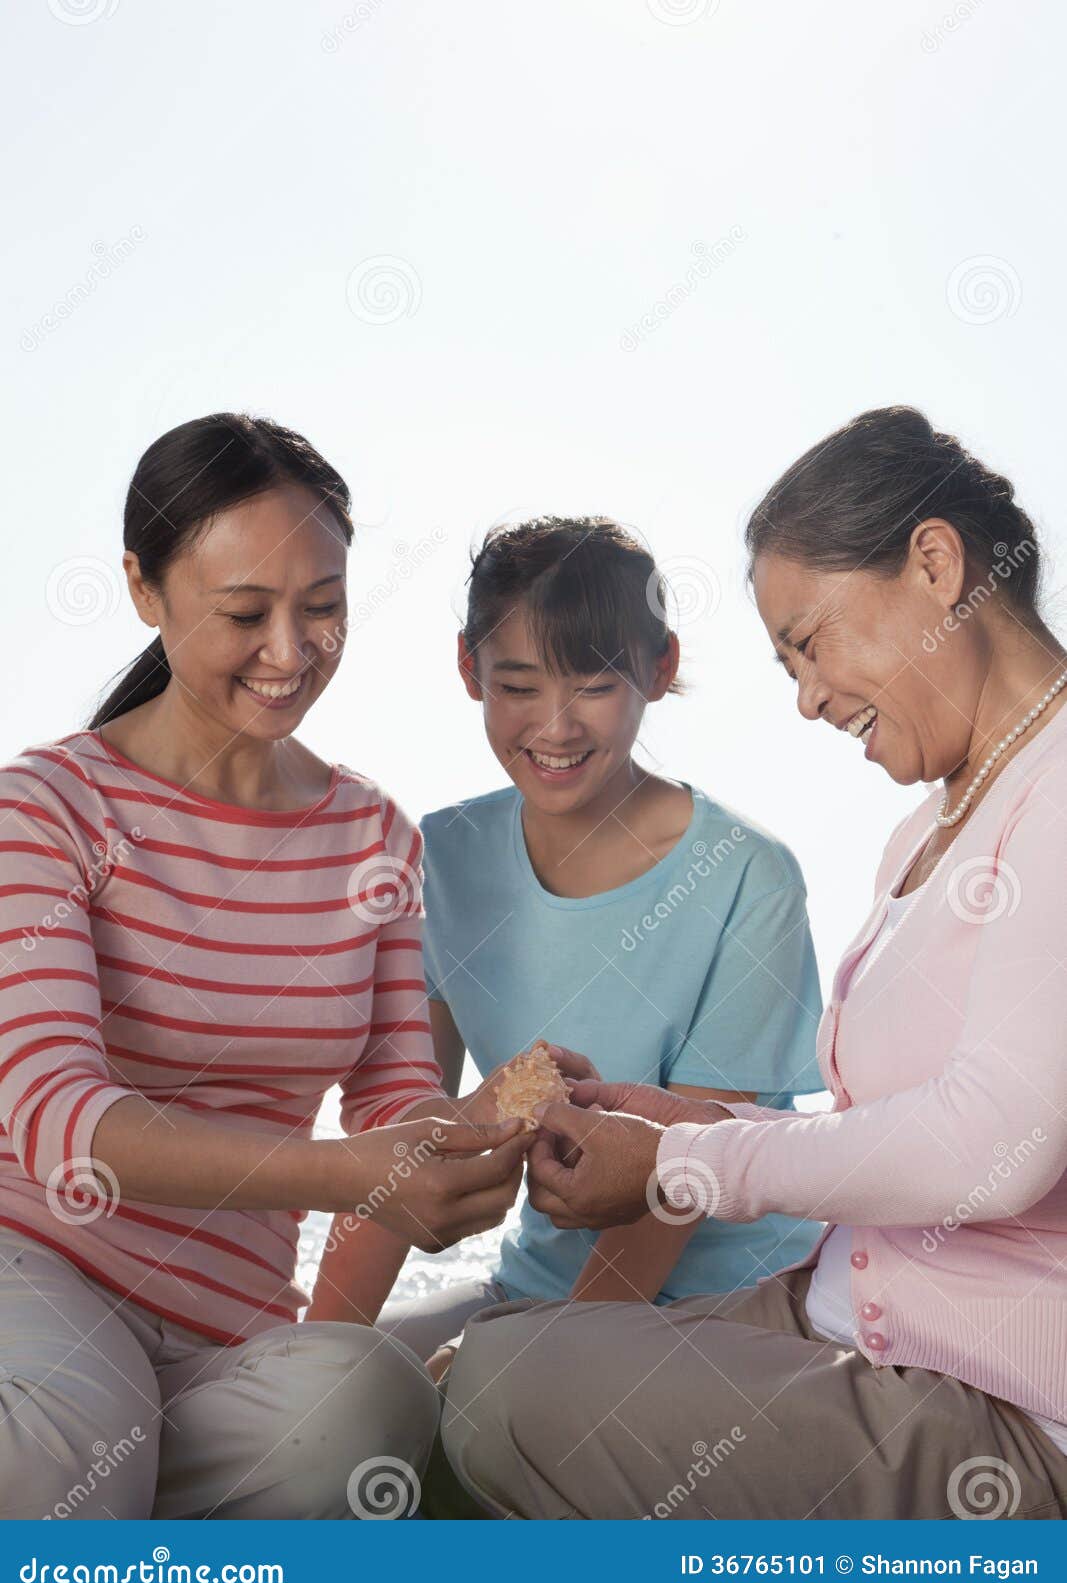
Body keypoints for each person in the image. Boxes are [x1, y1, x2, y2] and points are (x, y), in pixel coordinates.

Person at [439, 407, 1067, 1521]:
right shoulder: (924, 832)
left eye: (809, 642)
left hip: (1006, 1403)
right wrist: (672, 1127)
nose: (806, 697)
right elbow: (882, 1127)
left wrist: (684, 1166)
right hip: (844, 1319)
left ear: (933, 566)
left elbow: (994, 1144)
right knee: (468, 1388)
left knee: (501, 1389)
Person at [0, 412, 571, 1519]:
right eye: (244, 614)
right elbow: (55, 1120)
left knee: (366, 1408)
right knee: (87, 1428)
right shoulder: (45, 810)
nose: (290, 651)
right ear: (143, 588)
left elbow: (395, 1097)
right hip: (35, 1276)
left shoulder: (373, 841)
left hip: (227, 1338)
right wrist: (345, 1172)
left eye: (322, 609)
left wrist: (479, 1135)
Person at [351, 516, 824, 1366]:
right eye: (520, 686)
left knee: (482, 1400)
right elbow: (414, 1127)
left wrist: (546, 1356)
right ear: (470, 670)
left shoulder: (749, 876)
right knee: (329, 1388)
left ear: (660, 666)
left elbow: (682, 1179)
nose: (556, 727)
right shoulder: (441, 857)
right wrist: (310, 1350)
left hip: (742, 1301)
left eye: (595, 685)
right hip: (532, 1285)